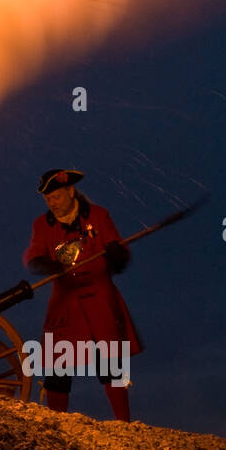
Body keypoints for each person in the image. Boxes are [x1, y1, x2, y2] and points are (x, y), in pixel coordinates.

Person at [22, 169, 142, 420]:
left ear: (70, 191)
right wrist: (49, 264)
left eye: (55, 197)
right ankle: (55, 424)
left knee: (109, 364)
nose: (51, 203)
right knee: (57, 368)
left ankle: (124, 424)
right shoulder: (42, 225)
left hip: (100, 301)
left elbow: (119, 255)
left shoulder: (98, 216)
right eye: (47, 199)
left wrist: (116, 254)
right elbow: (33, 257)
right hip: (65, 305)